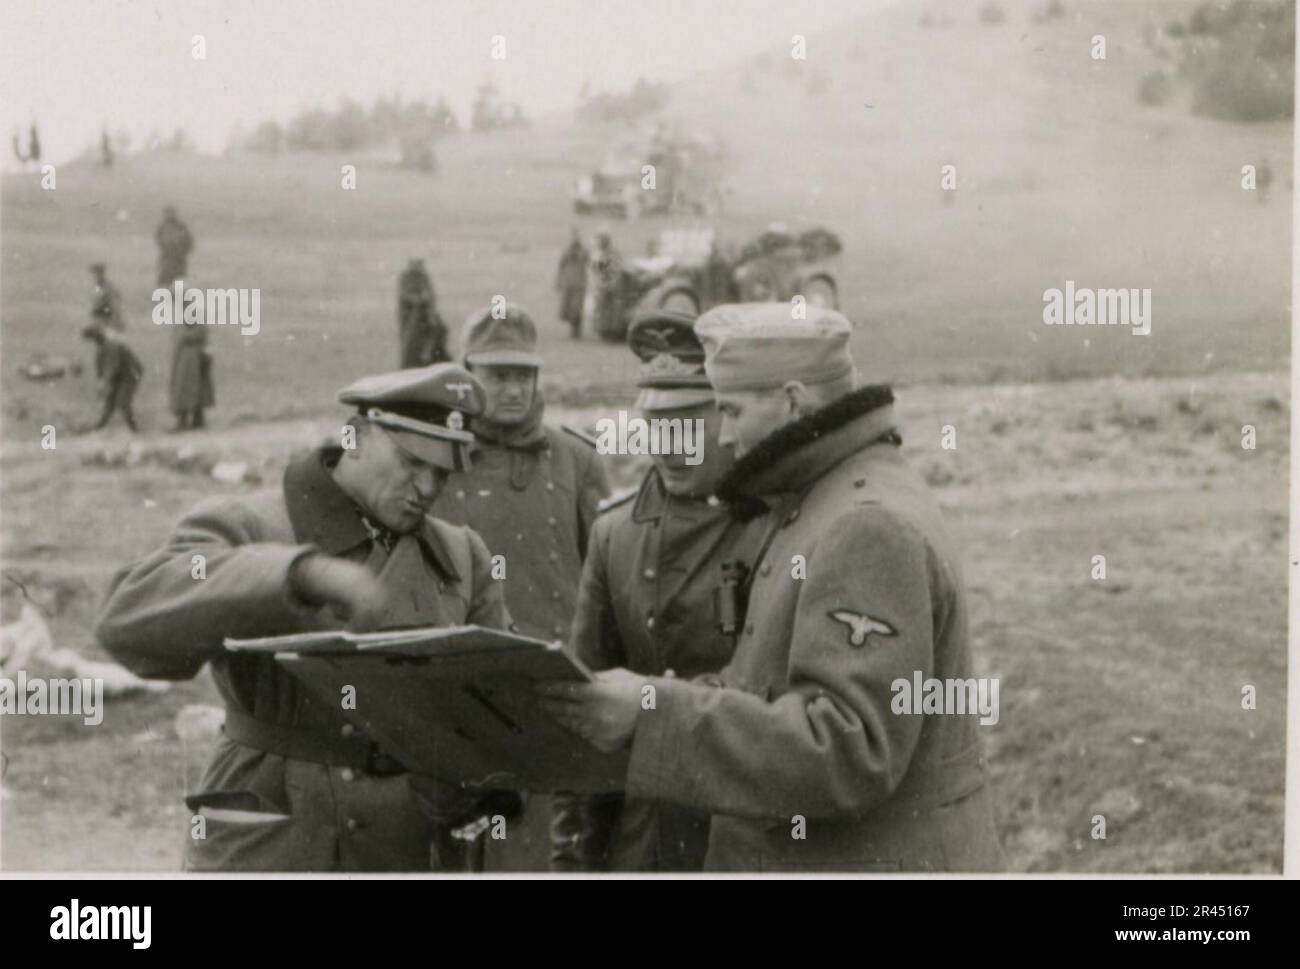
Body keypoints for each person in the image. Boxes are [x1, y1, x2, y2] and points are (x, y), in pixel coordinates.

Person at [540, 303, 1004, 872]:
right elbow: (769, 684)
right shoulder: (829, 495)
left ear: (791, 401)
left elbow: (849, 749)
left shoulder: (864, 525)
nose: (725, 434)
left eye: (731, 410)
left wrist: (650, 714)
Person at [95, 364, 514, 871]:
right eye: (411, 462)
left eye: (442, 473)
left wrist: (471, 782)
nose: (427, 487)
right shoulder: (252, 524)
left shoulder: (462, 557)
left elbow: (502, 707)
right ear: (354, 438)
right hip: (275, 840)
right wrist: (298, 575)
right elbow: (126, 620)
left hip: (406, 847)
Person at [550, 311, 765, 871]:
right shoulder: (616, 532)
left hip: (746, 834)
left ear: (728, 418)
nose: (669, 448)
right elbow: (582, 706)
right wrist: (573, 857)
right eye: (655, 427)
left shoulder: (777, 526)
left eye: (686, 427)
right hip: (645, 842)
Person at [431, 302, 610, 870]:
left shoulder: (576, 460)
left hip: (553, 691)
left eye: (522, 375)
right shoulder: (437, 459)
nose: (512, 389)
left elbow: (607, 574)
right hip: (462, 687)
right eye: (497, 375)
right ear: (467, 376)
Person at [81, 324, 142, 432]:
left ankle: (134, 429)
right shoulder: (102, 349)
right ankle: (100, 426)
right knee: (110, 402)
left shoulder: (110, 347)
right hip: (119, 375)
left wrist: (104, 384)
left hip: (129, 374)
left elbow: (112, 368)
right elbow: (102, 370)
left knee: (122, 402)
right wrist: (103, 383)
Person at [397, 259, 449, 367]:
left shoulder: (423, 277)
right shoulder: (406, 277)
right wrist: (420, 300)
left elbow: (430, 296)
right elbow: (406, 296)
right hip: (413, 316)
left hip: (423, 315)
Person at [169, 319, 214, 431]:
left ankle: (189, 420)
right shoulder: (186, 325)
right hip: (188, 357)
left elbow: (195, 334)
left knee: (189, 387)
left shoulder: (193, 327)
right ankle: (193, 419)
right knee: (191, 387)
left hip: (192, 358)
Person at [586, 232, 624, 341]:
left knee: (610, 309)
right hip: (603, 285)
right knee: (603, 309)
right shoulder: (601, 254)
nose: (599, 244)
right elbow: (596, 269)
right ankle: (605, 331)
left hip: (610, 285)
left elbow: (614, 269)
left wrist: (607, 280)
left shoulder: (611, 254)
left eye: (601, 242)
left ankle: (612, 331)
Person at [555, 229, 588, 339]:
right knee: (568, 308)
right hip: (568, 283)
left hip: (579, 284)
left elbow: (588, 259)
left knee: (577, 308)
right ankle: (574, 330)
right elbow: (561, 267)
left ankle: (577, 330)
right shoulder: (566, 252)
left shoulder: (583, 252)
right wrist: (558, 281)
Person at [155, 206, 193, 285]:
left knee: (179, 278)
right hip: (167, 256)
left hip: (179, 257)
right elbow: (159, 240)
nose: (169, 215)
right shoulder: (162, 227)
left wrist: (183, 251)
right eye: (167, 213)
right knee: (165, 278)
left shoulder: (181, 227)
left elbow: (189, 241)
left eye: (171, 213)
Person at [89, 262, 124, 331]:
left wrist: (116, 318)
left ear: (102, 274)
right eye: (94, 274)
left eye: (97, 273)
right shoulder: (97, 287)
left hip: (106, 316)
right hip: (98, 316)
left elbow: (115, 301)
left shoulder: (108, 287)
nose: (95, 276)